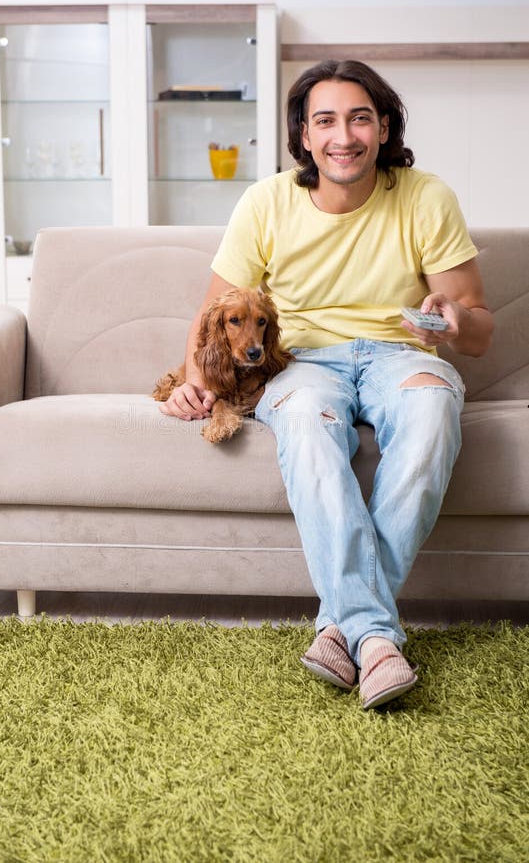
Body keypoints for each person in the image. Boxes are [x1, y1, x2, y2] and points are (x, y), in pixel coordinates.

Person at [159, 59, 494, 709]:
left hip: (401, 353)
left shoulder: (425, 196)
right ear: (304, 136)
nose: (344, 135)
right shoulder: (266, 201)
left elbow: (479, 331)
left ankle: (346, 630)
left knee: (430, 411)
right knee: (307, 420)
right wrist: (194, 383)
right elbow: (212, 315)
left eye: (360, 118)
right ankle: (376, 639)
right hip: (302, 361)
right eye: (326, 121)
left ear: (384, 126)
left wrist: (452, 322)